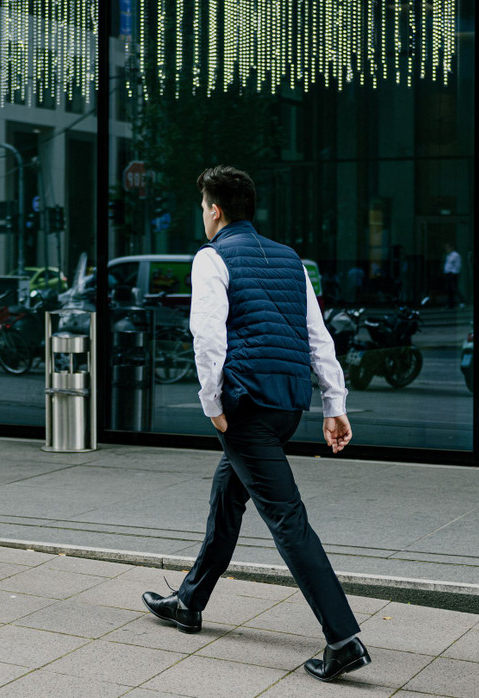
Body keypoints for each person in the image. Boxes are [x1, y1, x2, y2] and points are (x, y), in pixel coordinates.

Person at [140, 166, 369, 683]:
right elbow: (317, 336)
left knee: (287, 520)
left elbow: (207, 336)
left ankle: (343, 639)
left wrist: (211, 403)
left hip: (244, 406)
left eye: (203, 206)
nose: (202, 214)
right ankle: (188, 602)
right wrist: (333, 403)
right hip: (288, 405)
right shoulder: (289, 259)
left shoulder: (212, 256)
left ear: (215, 209)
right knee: (228, 495)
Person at [443, 240, 463, 308]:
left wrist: (454, 273)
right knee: (449, 289)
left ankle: (461, 301)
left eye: (448, 247)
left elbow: (458, 265)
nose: (446, 249)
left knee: (454, 288)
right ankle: (450, 303)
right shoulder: (448, 255)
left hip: (452, 274)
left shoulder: (456, 255)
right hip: (448, 274)